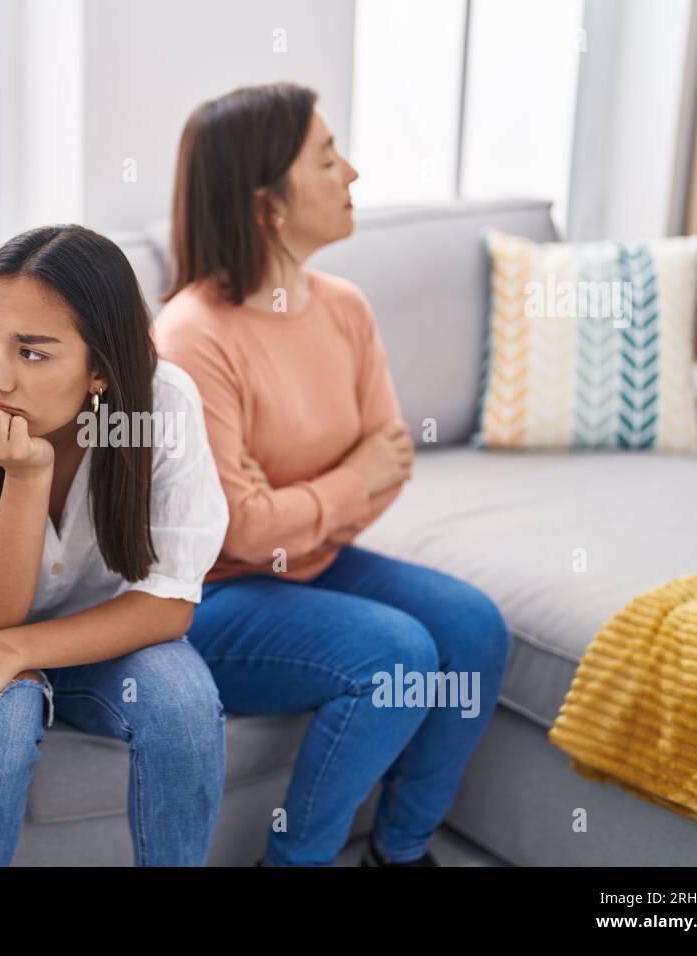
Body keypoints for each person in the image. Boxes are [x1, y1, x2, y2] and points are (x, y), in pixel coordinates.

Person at [153, 82, 512, 867]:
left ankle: (401, 851)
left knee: (475, 628)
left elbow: (394, 465)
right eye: (327, 158)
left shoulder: (344, 306)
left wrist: (306, 506)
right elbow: (238, 530)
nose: (351, 174)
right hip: (210, 595)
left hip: (314, 565)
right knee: (398, 655)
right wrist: (345, 485)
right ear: (267, 204)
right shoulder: (190, 339)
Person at [0, 223, 230, 866]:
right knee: (2, 706)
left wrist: (14, 650)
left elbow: (168, 604)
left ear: (99, 369)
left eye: (32, 352)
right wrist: (27, 475)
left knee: (181, 699)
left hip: (85, 633)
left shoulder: (163, 405)